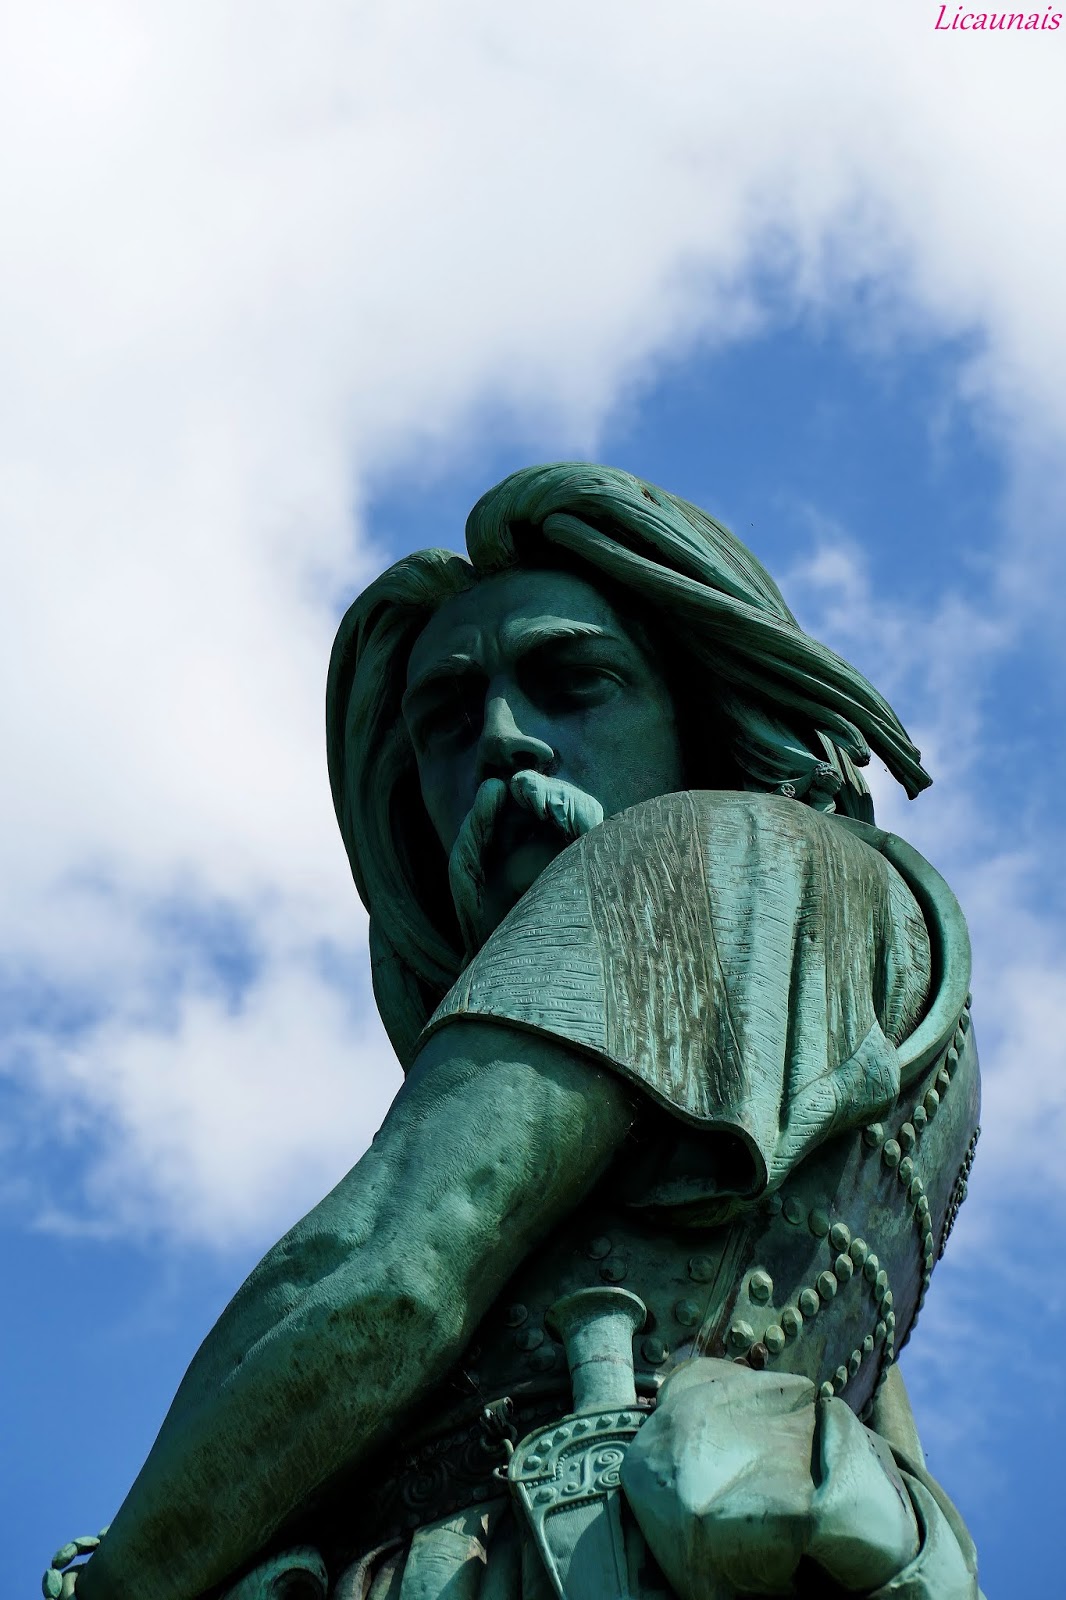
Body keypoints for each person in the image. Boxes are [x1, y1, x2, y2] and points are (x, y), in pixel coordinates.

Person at [68, 464, 982, 1600]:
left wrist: (121, 1583)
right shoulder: (862, 937)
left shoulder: (678, 856)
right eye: (447, 720)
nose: (504, 741)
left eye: (574, 683)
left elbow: (390, 1269)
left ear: (695, 710)